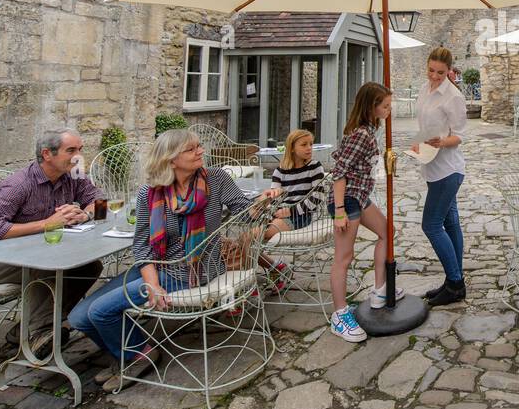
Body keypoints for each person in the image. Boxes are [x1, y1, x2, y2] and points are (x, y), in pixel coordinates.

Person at [68, 130, 255, 390]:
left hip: (193, 271)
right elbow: (143, 245)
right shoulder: (150, 193)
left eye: (199, 146)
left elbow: (243, 212)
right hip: (157, 267)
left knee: (99, 312)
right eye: (191, 149)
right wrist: (152, 285)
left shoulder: (216, 180)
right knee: (79, 317)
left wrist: (262, 207)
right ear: (171, 160)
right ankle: (128, 353)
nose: (200, 151)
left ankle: (139, 355)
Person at [0, 129, 105, 352]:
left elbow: (101, 200)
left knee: (89, 267)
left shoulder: (73, 175)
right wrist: (48, 223)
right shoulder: (18, 185)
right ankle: (40, 332)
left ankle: (26, 330)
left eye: (80, 149)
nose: (78, 156)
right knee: (50, 267)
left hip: (33, 254)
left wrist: (85, 214)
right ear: (47, 154)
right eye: (71, 150)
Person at [326, 82, 399, 342]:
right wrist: (339, 211)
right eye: (385, 106)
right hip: (347, 200)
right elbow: (339, 173)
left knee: (386, 231)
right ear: (371, 107)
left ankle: (380, 290)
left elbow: (364, 167)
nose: (389, 110)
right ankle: (340, 315)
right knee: (344, 258)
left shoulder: (369, 130)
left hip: (359, 196)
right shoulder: (360, 134)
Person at [410, 47, 468, 307]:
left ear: (449, 71)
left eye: (440, 73)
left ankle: (455, 284)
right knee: (451, 222)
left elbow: (460, 136)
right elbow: (425, 126)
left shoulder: (453, 96)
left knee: (431, 225)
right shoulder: (425, 89)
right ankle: (453, 279)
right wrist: (419, 142)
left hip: (448, 169)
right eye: (431, 70)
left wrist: (441, 142)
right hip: (430, 164)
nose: (434, 76)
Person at [258, 129, 327, 293]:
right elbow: (274, 196)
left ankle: (275, 269)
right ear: (292, 148)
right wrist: (270, 204)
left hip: (301, 216)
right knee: (247, 238)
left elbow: (317, 198)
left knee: (257, 236)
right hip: (279, 214)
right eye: (304, 145)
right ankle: (276, 268)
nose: (309, 148)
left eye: (310, 144)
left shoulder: (315, 167)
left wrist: (290, 211)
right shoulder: (280, 170)